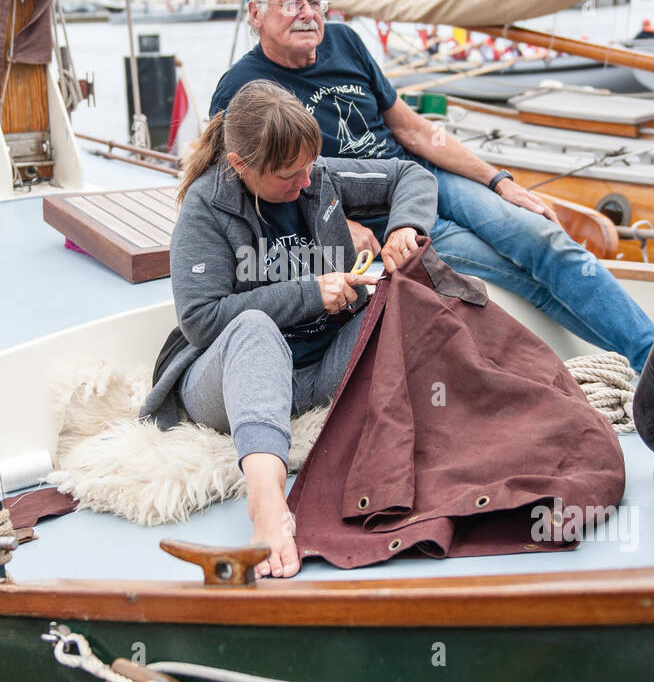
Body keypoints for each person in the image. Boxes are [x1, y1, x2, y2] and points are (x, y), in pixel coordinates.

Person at [210, 0, 654, 370]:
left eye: (316, 1)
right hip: (383, 219)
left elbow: (413, 129)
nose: (308, 13)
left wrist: (498, 180)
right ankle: (644, 361)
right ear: (256, 13)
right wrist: (336, 223)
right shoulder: (241, 89)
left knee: (543, 239)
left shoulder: (345, 42)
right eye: (291, 2)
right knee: (513, 273)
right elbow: (240, 185)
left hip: (424, 179)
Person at [140, 79, 438, 578]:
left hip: (320, 366)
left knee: (402, 296)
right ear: (240, 166)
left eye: (309, 168)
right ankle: (266, 501)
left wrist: (405, 225)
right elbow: (201, 320)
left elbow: (410, 175)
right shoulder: (204, 210)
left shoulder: (315, 175)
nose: (305, 182)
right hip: (230, 380)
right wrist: (309, 292)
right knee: (255, 327)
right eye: (287, 176)